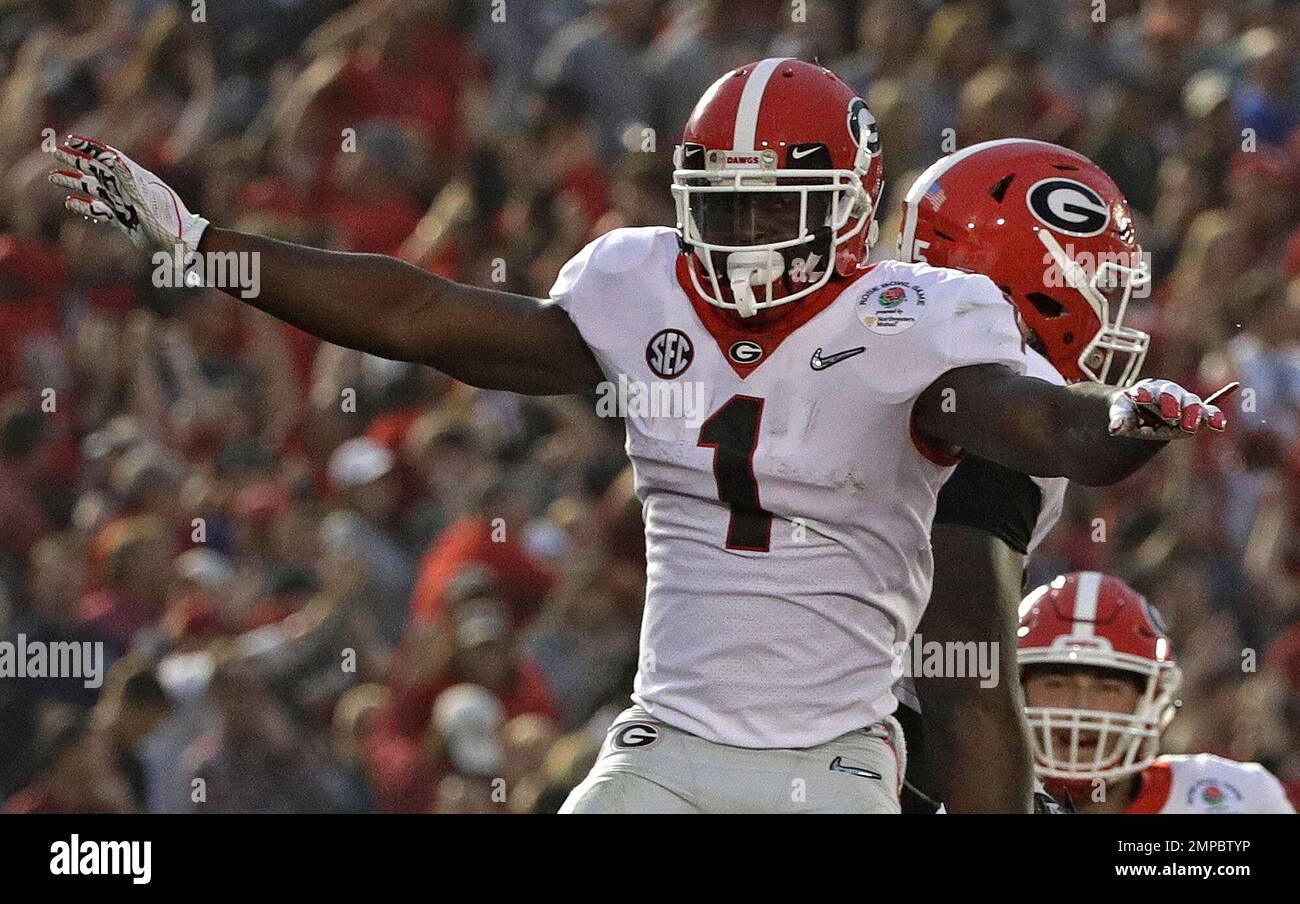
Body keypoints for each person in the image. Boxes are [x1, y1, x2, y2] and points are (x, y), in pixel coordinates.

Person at [49, 58, 1226, 814]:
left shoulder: (913, 316)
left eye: (780, 204)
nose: (751, 233)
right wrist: (211, 247)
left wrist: (1112, 429)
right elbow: (426, 316)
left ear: (853, 212)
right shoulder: (639, 284)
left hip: (834, 766)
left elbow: (1015, 414)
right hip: (663, 741)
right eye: (727, 203)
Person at [893, 138, 1156, 813]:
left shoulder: (888, 346)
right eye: (1100, 284)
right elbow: (962, 680)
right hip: (849, 744)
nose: (1114, 311)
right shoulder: (996, 397)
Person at [1018, 571, 1295, 814]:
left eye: (1108, 688)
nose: (1080, 707)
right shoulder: (979, 795)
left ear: (1149, 701)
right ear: (1017, 691)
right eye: (1056, 683)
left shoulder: (1239, 797)